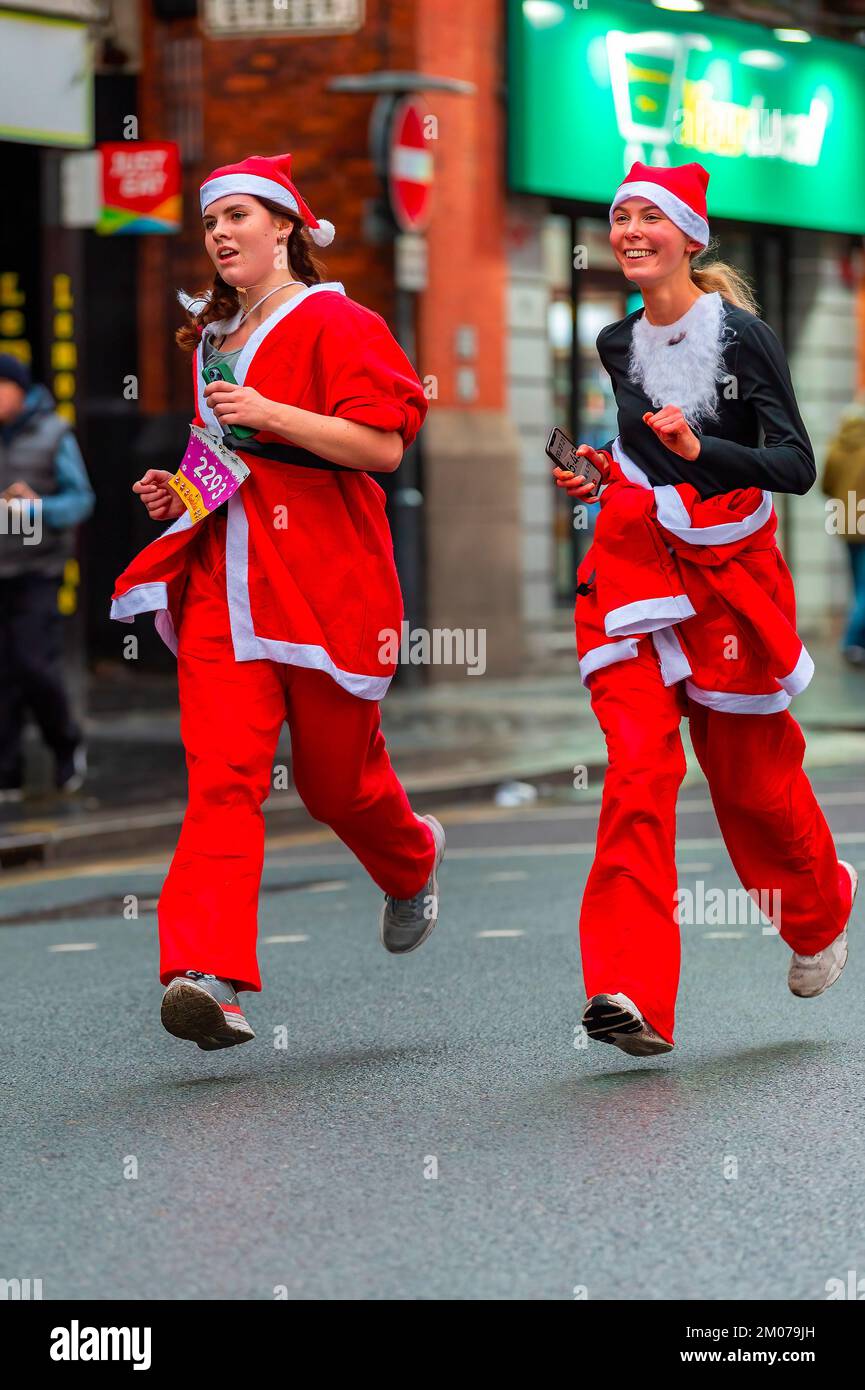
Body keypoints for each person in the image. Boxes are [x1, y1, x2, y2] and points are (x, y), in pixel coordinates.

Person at [111, 153, 444, 1052]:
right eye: (212, 222)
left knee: (338, 786)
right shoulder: (214, 335)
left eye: (241, 218)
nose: (220, 234)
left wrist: (272, 412)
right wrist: (178, 492)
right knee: (221, 781)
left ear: (287, 227)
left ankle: (412, 860)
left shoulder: (339, 321)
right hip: (226, 586)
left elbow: (380, 447)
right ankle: (204, 975)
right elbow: (226, 458)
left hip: (324, 582)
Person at [553, 161, 857, 1058]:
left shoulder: (743, 336)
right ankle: (626, 989)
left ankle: (818, 909)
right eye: (620, 218)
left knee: (752, 783)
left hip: (731, 576)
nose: (631, 231)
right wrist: (599, 470)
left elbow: (795, 468)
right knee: (637, 774)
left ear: (691, 236)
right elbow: (647, 462)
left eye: (651, 217)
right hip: (639, 570)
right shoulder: (615, 345)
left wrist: (706, 447)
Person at [0, 354, 93, 802]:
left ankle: (65, 744)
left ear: (21, 389)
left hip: (36, 570)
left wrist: (37, 508)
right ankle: (7, 771)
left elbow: (81, 501)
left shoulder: (53, 432)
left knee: (34, 666)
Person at [820, 392, 865, 667]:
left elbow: (826, 485)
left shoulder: (837, 447)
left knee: (858, 583)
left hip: (847, 522)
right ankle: (851, 641)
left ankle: (858, 641)